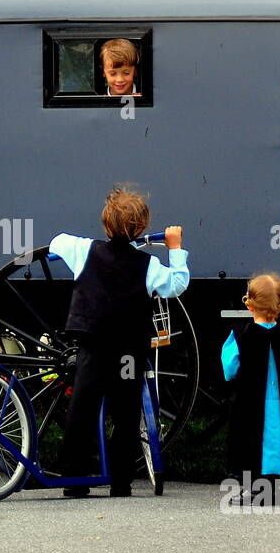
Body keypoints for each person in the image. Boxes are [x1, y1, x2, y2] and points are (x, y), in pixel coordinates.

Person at [50, 186, 187, 497]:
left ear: (105, 223)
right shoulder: (148, 265)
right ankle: (121, 480)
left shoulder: (85, 250)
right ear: (143, 228)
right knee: (125, 411)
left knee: (82, 407)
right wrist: (175, 248)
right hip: (129, 347)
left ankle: (75, 478)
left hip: (93, 344)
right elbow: (177, 284)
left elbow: (57, 240)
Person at [222, 274, 280, 503]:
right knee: (276, 438)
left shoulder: (240, 334)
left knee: (248, 436)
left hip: (249, 399)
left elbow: (230, 367)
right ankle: (271, 486)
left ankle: (254, 487)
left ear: (249, 303)